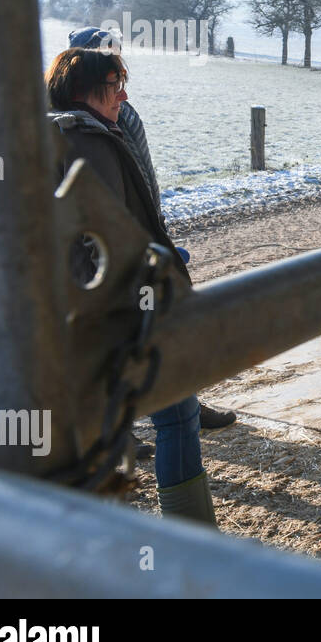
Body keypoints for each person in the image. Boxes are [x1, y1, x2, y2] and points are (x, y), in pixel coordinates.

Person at [46, 45, 216, 524]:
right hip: (122, 304)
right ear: (83, 89)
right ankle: (191, 528)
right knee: (177, 413)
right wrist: (155, 279)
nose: (123, 94)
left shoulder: (48, 132)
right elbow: (109, 235)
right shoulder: (90, 140)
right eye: (114, 84)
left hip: (73, 307)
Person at [66, 27, 237, 432]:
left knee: (150, 326)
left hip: (138, 228)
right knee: (137, 329)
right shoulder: (84, 124)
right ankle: (143, 421)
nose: (119, 70)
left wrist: (156, 229)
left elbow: (142, 172)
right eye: (109, 58)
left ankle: (175, 406)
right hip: (109, 250)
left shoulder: (120, 111)